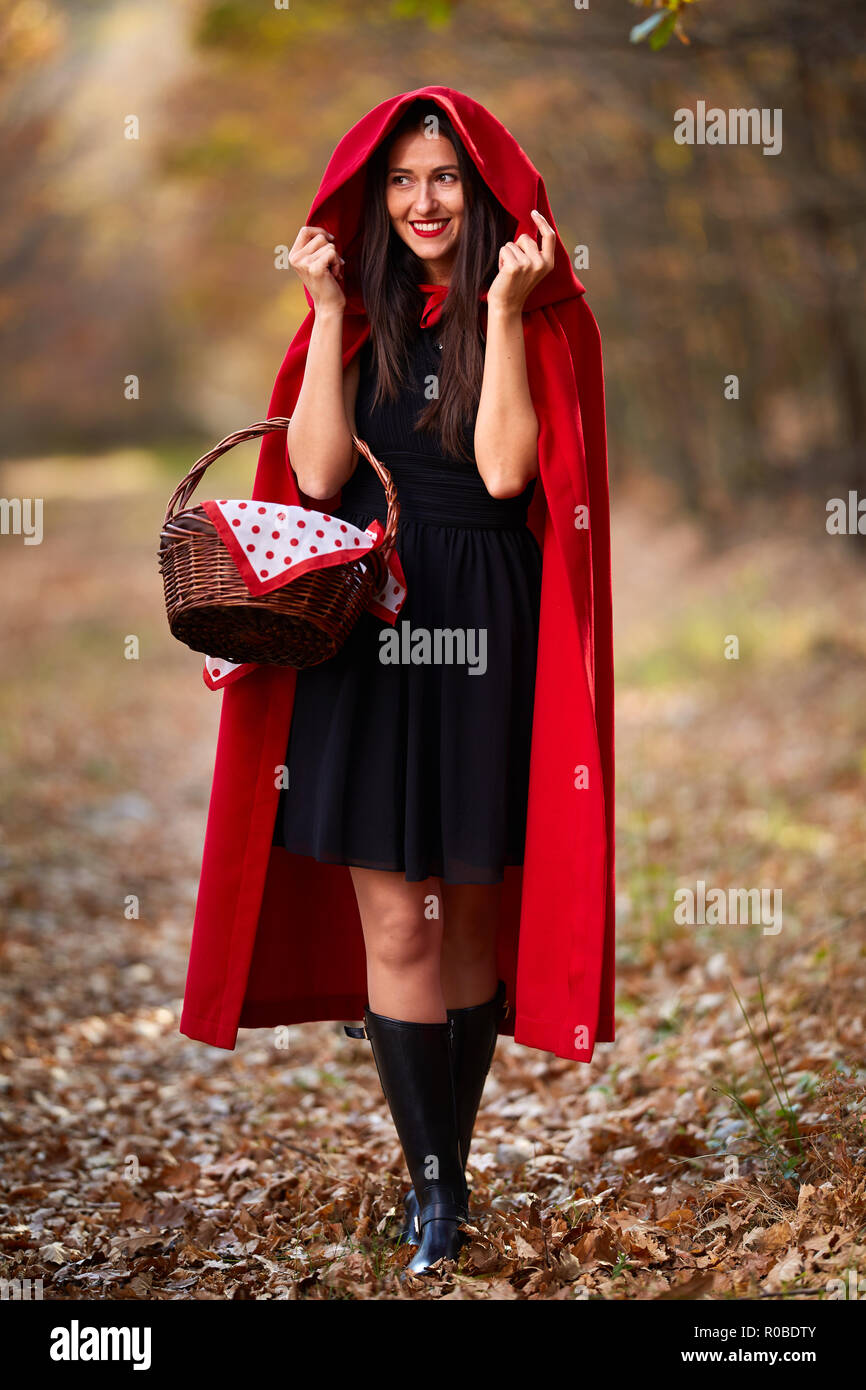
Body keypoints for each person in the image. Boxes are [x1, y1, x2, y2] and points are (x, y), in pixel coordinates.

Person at [179, 87, 615, 1279]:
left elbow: (502, 468)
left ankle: (449, 1168)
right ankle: (435, 1197)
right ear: (377, 196)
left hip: (483, 627)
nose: (424, 202)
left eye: (446, 180)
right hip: (370, 630)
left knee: (468, 914)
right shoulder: (353, 316)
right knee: (394, 918)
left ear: (479, 193)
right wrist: (324, 313)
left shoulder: (532, 312)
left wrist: (506, 309)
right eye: (402, 181)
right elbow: (314, 476)